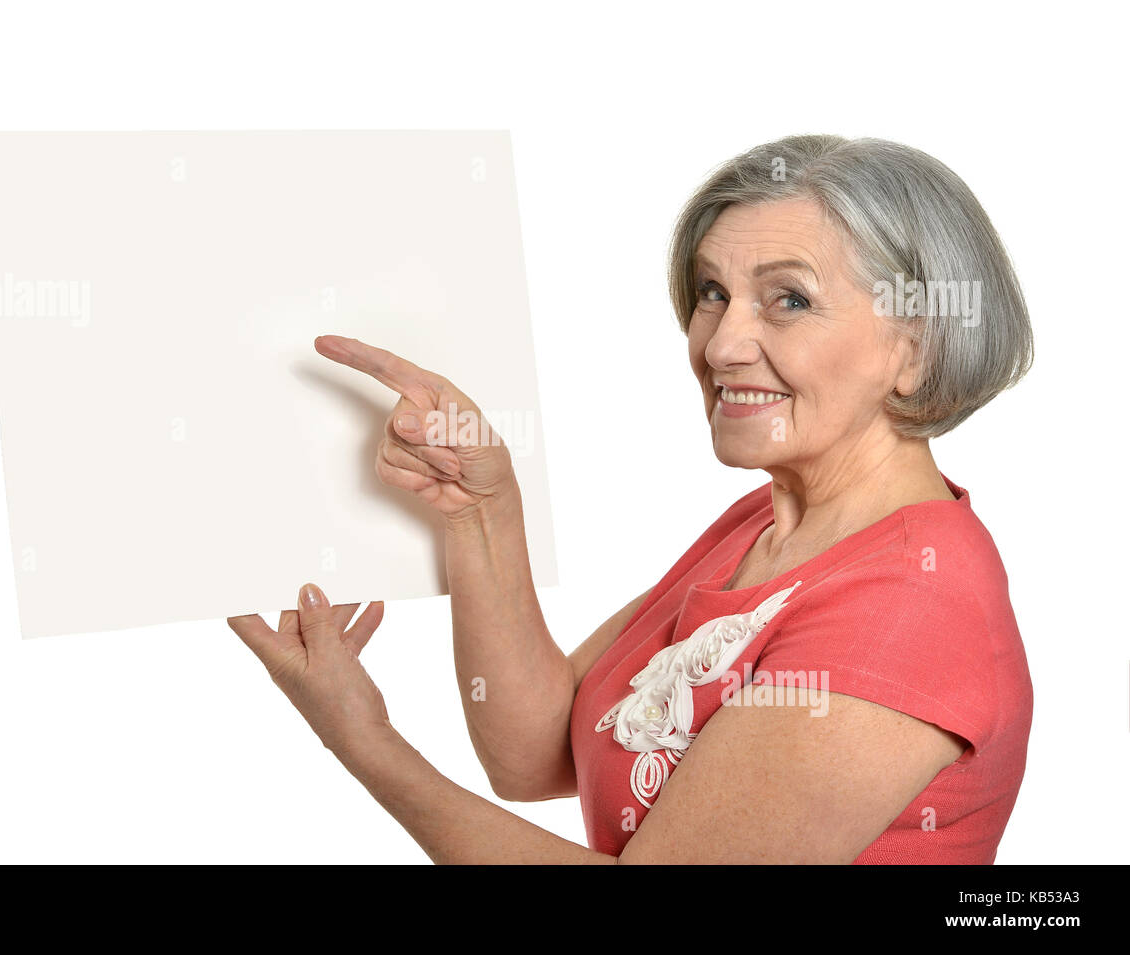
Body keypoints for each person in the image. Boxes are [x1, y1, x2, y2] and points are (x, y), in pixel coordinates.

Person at [227, 134, 1034, 864]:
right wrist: (482, 508)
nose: (719, 344)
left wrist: (362, 740)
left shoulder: (913, 603)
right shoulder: (772, 523)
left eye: (789, 299)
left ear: (917, 349)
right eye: (712, 291)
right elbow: (533, 751)